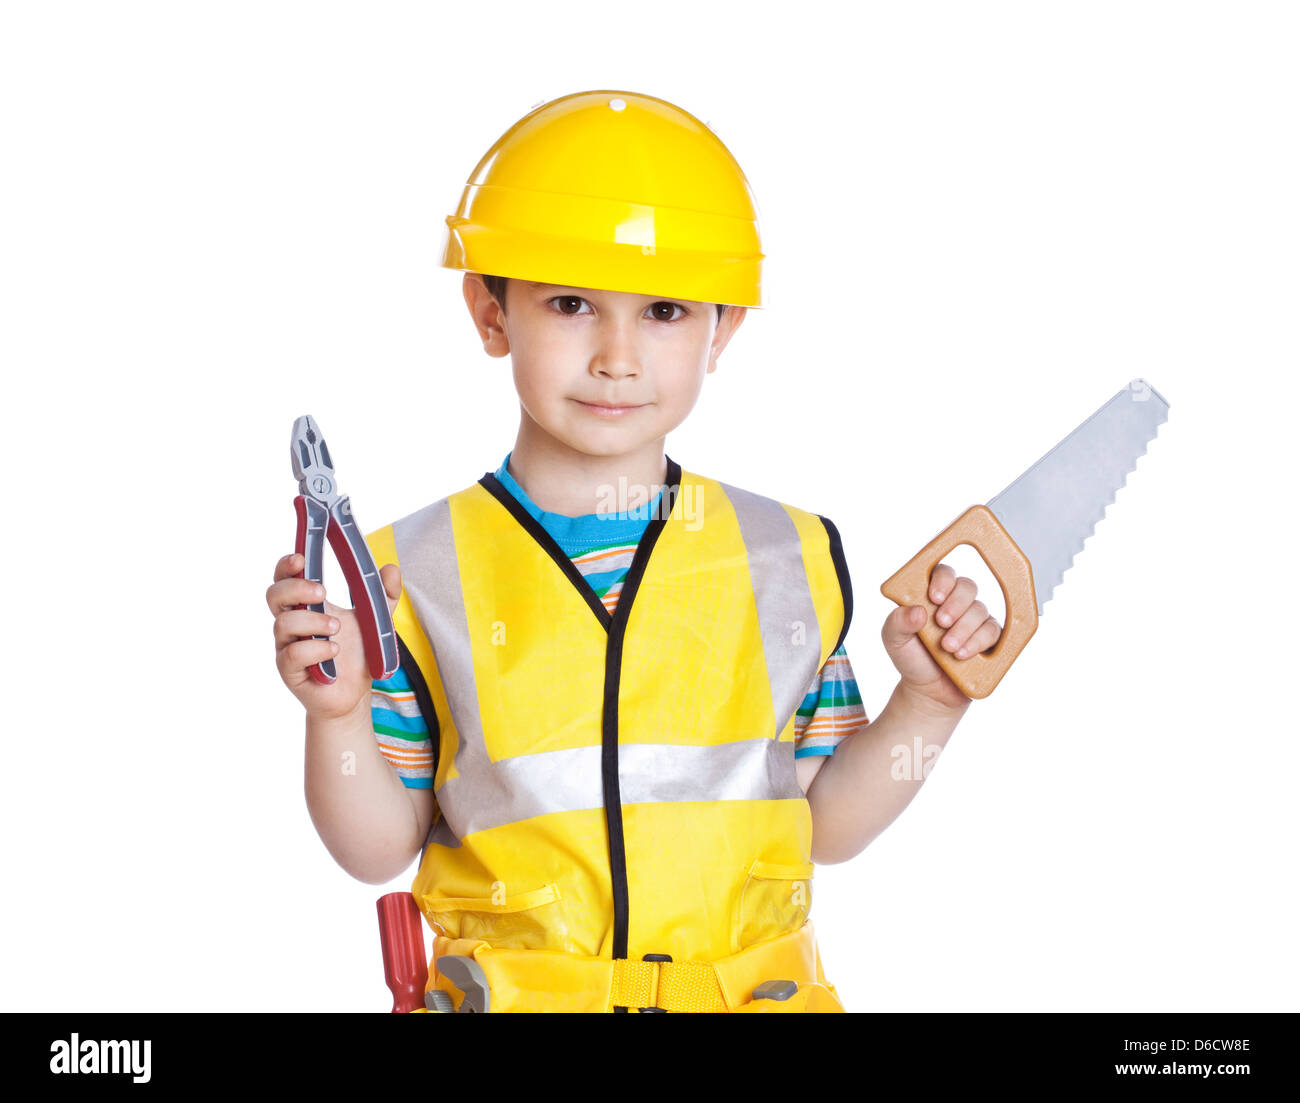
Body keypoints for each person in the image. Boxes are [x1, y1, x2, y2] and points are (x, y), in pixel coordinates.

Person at [266, 90, 1002, 1012]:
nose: (617, 355)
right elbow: (376, 847)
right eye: (571, 303)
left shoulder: (784, 558)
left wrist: (928, 706)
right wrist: (334, 718)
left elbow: (828, 823)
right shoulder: (412, 575)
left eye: (663, 311)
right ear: (491, 314)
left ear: (721, 329)